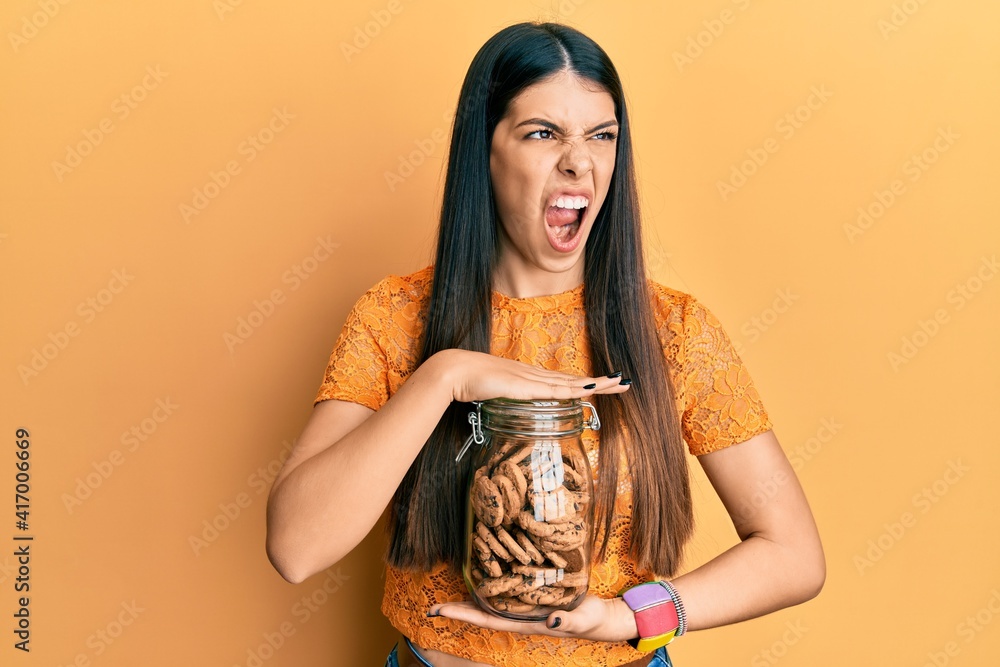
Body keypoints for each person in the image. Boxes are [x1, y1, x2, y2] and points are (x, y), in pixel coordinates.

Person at [265, 21, 825, 667]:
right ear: (484, 149)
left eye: (601, 135)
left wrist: (628, 617)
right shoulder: (395, 318)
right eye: (542, 133)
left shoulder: (672, 329)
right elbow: (296, 548)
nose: (579, 161)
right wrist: (443, 376)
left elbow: (794, 554)